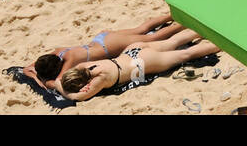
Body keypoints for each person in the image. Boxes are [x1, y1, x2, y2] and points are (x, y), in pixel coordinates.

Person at [24, 15, 185, 89]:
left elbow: (56, 84)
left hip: (108, 47)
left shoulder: (70, 61)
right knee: (141, 29)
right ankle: (173, 14)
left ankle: (184, 24)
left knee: (152, 38)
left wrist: (41, 81)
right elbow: (29, 67)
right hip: (102, 39)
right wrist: (34, 71)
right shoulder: (58, 52)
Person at [56, 35, 220, 102]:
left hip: (140, 64)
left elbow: (77, 97)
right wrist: (58, 81)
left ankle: (221, 44)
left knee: (186, 55)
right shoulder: (82, 66)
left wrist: (60, 88)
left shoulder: (100, 79)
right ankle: (200, 27)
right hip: (131, 50)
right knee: (172, 42)